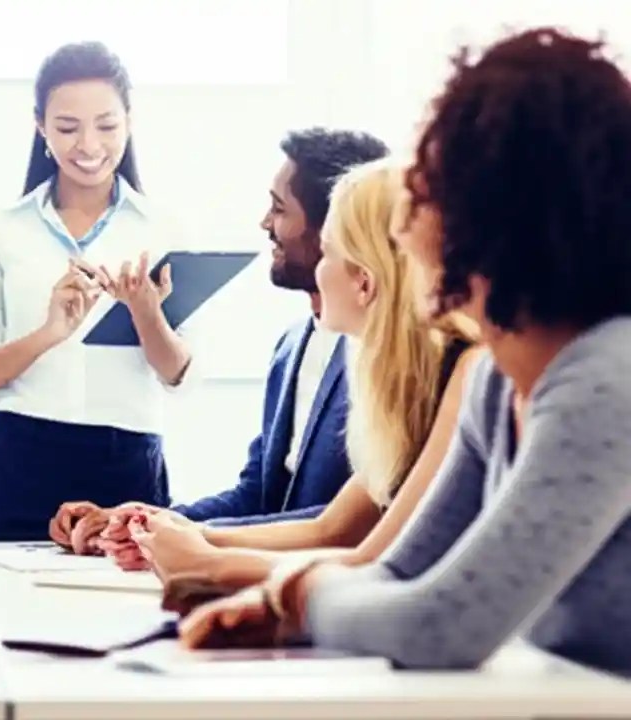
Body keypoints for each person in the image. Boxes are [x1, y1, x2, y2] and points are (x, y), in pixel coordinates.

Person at [178, 28, 631, 676]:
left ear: (496, 210)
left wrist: (299, 597)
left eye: (424, 187)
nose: (397, 224)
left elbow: (444, 625)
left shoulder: (606, 380)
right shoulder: (495, 384)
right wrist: (283, 604)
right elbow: (397, 572)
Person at [121, 160, 480, 585]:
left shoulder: (466, 372)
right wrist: (174, 533)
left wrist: (206, 563)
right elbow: (331, 528)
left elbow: (374, 561)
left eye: (326, 252)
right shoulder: (398, 381)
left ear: (364, 282)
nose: (318, 269)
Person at [53, 128, 388, 553]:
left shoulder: (389, 355)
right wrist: (142, 519)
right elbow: (257, 496)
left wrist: (177, 536)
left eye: (279, 209)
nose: (265, 224)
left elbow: (343, 521)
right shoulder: (291, 346)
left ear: (332, 229)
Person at [0, 41, 195, 541]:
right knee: (6, 613)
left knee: (131, 617)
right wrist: (49, 332)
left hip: (127, 466)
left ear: (129, 120)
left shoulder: (163, 229)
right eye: (68, 127)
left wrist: (147, 314)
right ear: (40, 126)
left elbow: (178, 373)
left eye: (106, 125)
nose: (89, 145)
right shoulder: (0, 230)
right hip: (20, 462)